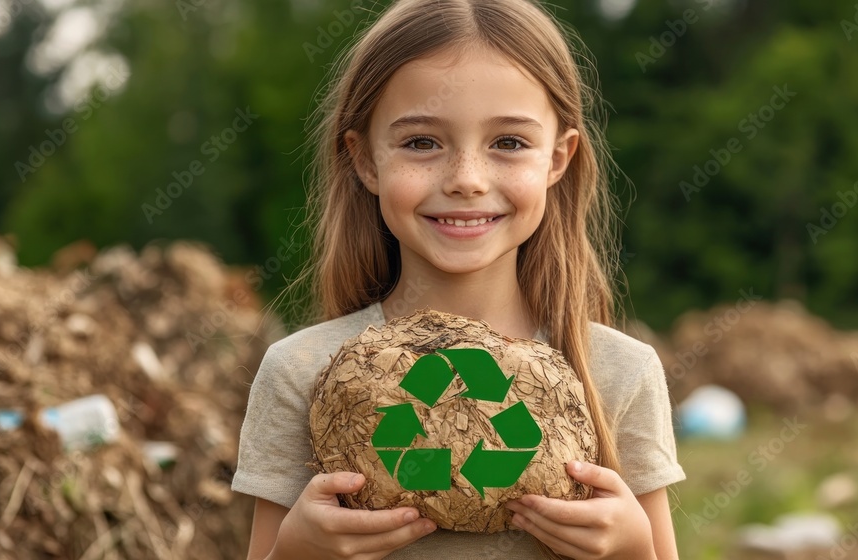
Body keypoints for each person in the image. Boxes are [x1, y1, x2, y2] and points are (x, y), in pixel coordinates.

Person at [231, 0, 686, 558]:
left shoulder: (619, 372)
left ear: (558, 159)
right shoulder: (299, 372)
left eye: (509, 142)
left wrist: (632, 546)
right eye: (422, 142)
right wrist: (298, 552)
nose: (466, 180)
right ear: (366, 161)